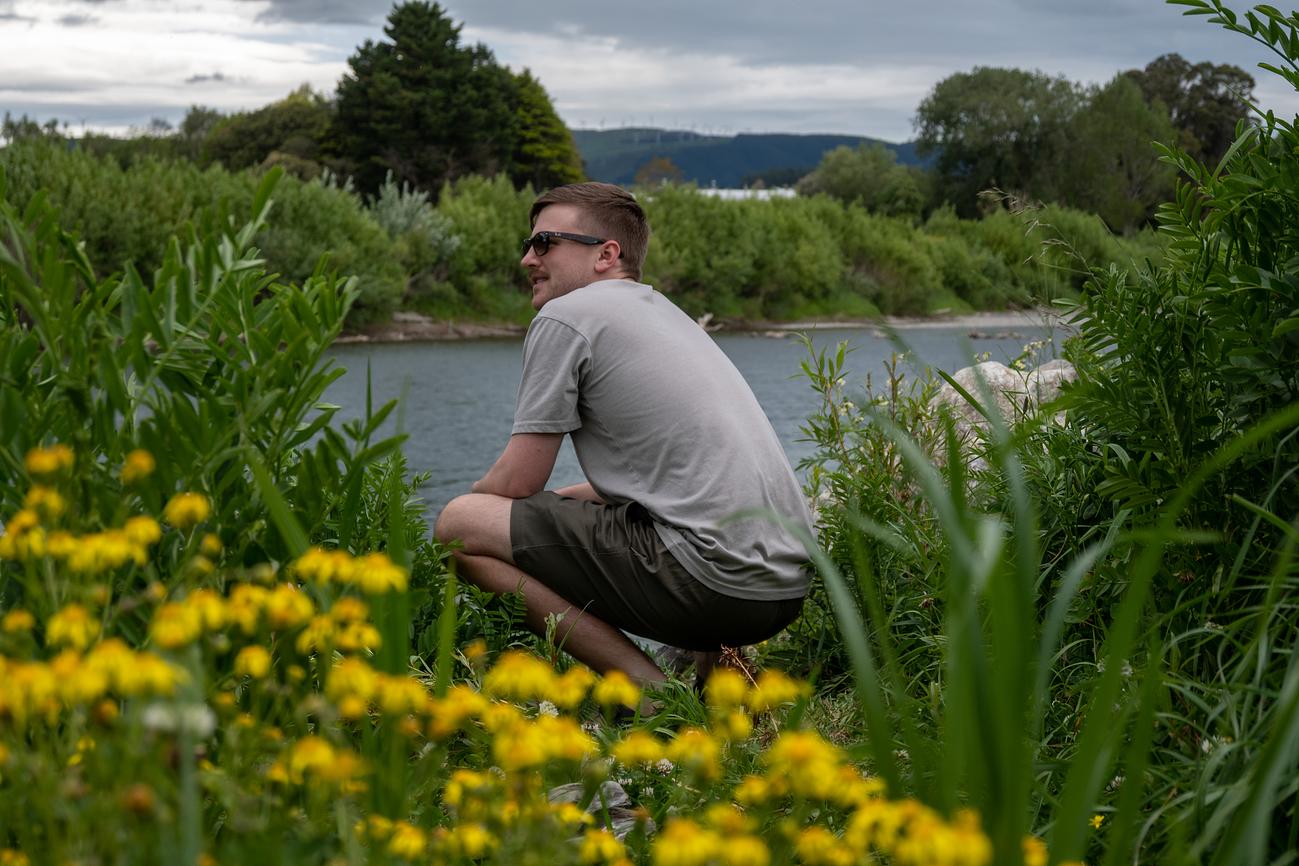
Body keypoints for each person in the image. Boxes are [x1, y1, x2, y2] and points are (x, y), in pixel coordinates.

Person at [433, 182, 813, 685]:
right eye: (527, 244)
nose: (528, 258)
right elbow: (681, 475)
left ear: (606, 254)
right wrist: (563, 505)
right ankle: (728, 681)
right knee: (611, 510)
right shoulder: (667, 317)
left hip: (710, 586)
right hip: (784, 591)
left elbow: (517, 483)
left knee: (460, 525)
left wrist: (482, 510)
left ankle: (650, 694)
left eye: (545, 242)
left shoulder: (567, 316)